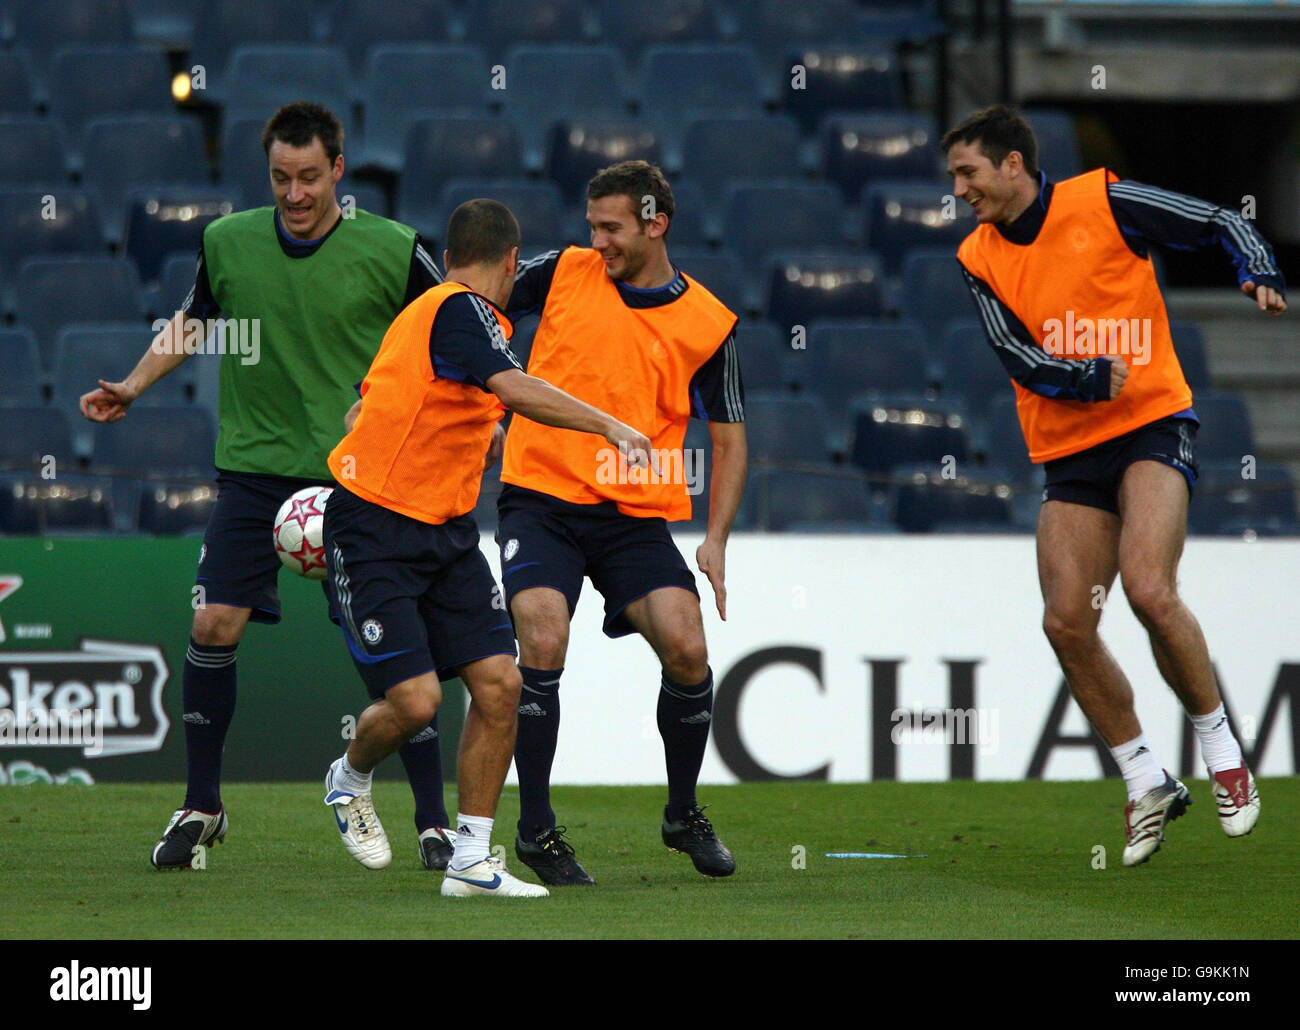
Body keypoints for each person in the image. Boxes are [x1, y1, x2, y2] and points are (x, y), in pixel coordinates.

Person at [79, 102, 459, 872]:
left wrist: (391, 400)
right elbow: (194, 319)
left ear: (339, 172)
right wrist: (132, 386)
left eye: (310, 177)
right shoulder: (227, 241)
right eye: (282, 178)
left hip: (359, 477)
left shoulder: (392, 249)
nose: (295, 193)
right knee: (214, 623)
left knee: (396, 659)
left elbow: (454, 328)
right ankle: (201, 806)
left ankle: (431, 819)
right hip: (254, 471)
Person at [945, 105, 1284, 866]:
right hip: (1069, 449)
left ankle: (1223, 753)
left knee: (1148, 589)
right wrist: (1086, 375)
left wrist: (1255, 266)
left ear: (1012, 164)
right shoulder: (977, 254)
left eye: (968, 173)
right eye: (953, 178)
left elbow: (1215, 220)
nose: (960, 189)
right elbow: (1018, 358)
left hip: (1152, 424)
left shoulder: (1102, 200)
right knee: (1066, 622)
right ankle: (1145, 780)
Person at [321, 197, 654, 896]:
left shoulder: (449, 321)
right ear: (511, 260)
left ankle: (471, 859)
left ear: (447, 256)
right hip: (375, 529)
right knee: (414, 704)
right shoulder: (460, 308)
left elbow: (390, 397)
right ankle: (348, 776)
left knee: (501, 685)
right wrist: (610, 425)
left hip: (445, 534)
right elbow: (515, 386)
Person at [497, 160, 747, 885]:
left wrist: (716, 540)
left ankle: (682, 814)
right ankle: (537, 831)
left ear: (655, 224)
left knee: (688, 647)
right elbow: (467, 313)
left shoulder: (710, 324)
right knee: (542, 633)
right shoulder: (563, 271)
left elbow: (730, 440)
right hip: (540, 497)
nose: (596, 241)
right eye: (591, 225)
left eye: (611, 228)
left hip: (633, 516)